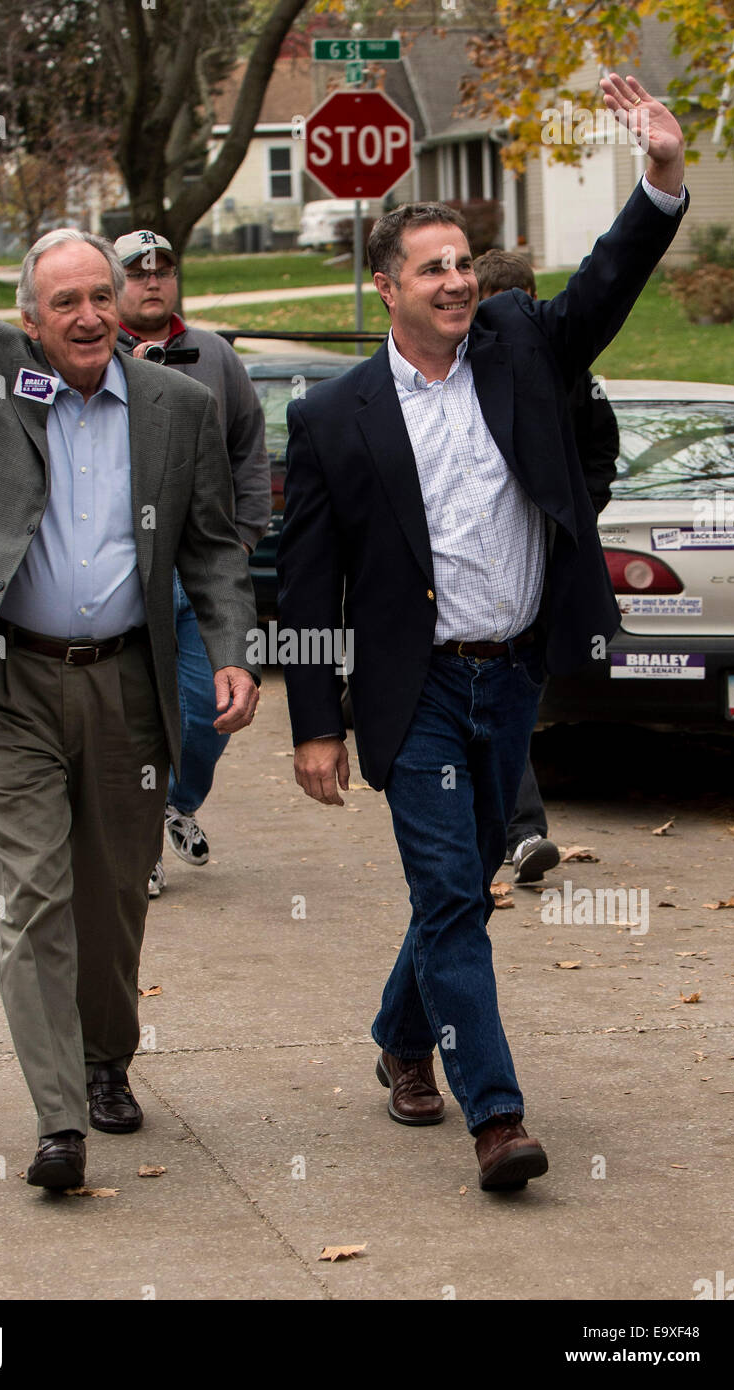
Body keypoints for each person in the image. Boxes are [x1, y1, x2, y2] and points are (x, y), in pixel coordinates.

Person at [277, 75, 686, 1191]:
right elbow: (307, 586)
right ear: (384, 288)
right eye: (432, 268)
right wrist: (313, 723)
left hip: (510, 679)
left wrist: (655, 178)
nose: (457, 282)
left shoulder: (518, 346)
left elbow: (604, 286)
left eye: (463, 264)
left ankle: (402, 1035)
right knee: (457, 893)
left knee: (457, 886)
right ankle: (495, 1116)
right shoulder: (330, 418)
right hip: (410, 692)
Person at [0, 109, 260, 1190]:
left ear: (122, 307)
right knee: (30, 892)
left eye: (99, 297)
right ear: (29, 319)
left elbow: (216, 544)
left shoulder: (175, 406)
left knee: (112, 890)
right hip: (9, 682)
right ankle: (57, 1121)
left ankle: (103, 1059)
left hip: (127, 685)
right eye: (64, 302)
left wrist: (229, 645)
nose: (87, 316)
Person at [114, 230, 270, 898]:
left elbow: (249, 449)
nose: (152, 282)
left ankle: (178, 800)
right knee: (137, 718)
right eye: (137, 272)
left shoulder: (212, 355)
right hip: (125, 572)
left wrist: (241, 537)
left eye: (164, 271)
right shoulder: (94, 351)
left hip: (202, 570)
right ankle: (140, 839)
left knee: (213, 709)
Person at [473, 248, 621, 884]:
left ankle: (511, 823)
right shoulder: (465, 371)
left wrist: (575, 512)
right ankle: (520, 827)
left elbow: (599, 448)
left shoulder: (573, 372)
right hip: (481, 561)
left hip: (551, 556)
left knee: (517, 692)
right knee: (500, 693)